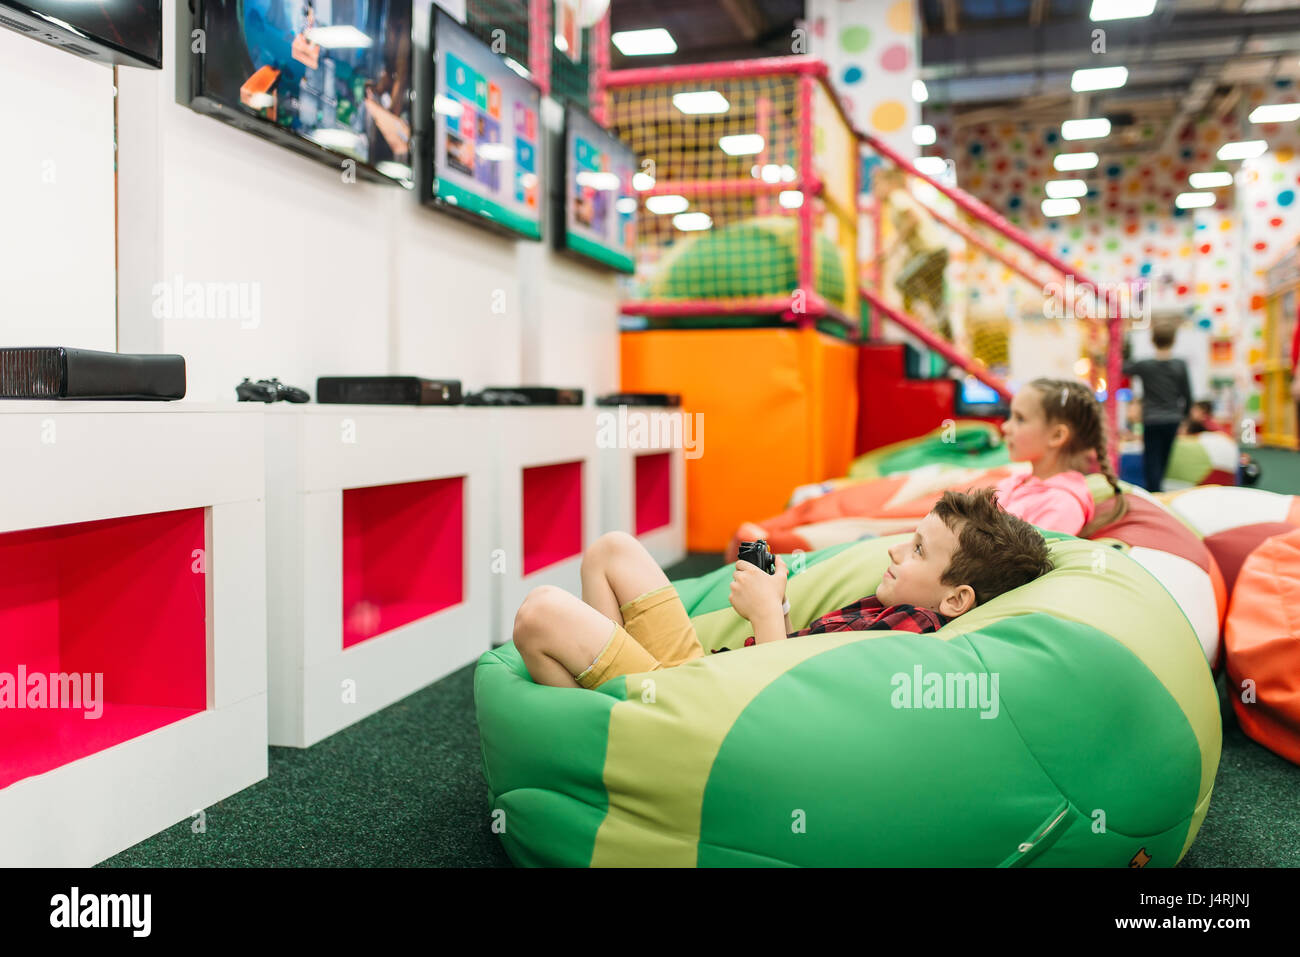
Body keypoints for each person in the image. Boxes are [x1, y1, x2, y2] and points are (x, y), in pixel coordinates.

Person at [513, 488, 1054, 690]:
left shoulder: (910, 636)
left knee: (539, 614)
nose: (894, 551)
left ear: (957, 599)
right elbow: (808, 655)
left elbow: (786, 701)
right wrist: (781, 608)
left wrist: (767, 616)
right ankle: (610, 692)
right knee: (612, 549)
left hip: (706, 705)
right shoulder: (891, 604)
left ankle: (601, 724)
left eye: (916, 550)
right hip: (705, 672)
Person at [996, 377, 1128, 538]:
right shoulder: (1015, 482)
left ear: (1057, 435)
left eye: (1020, 419)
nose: (1005, 427)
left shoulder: (1062, 505)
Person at [1122, 325, 1192, 492]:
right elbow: (1187, 395)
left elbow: (1123, 367)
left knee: (1151, 460)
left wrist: (1125, 344)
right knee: (1164, 460)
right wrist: (1184, 418)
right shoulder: (1179, 365)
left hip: (1151, 419)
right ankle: (1157, 491)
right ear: (1174, 340)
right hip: (1172, 419)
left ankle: (1155, 493)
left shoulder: (1145, 365)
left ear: (1152, 341)